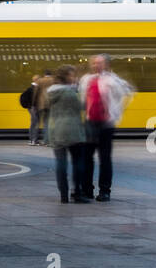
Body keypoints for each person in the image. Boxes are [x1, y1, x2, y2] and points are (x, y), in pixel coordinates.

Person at [78, 54, 133, 203]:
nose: (96, 65)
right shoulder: (86, 79)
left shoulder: (112, 80)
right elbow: (82, 97)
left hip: (106, 124)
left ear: (106, 64)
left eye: (99, 63)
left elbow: (128, 91)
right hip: (89, 122)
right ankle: (87, 190)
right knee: (87, 158)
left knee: (105, 159)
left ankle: (104, 191)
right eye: (94, 63)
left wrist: (116, 111)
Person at [47, 65, 89, 203]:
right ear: (65, 77)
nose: (74, 77)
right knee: (78, 163)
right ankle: (77, 193)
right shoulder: (69, 93)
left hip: (56, 131)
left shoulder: (51, 92)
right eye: (72, 75)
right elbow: (82, 106)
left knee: (61, 164)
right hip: (72, 131)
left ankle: (63, 195)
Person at [30, 69, 54, 145]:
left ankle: (35, 139)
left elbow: (36, 92)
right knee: (48, 122)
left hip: (41, 104)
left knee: (39, 122)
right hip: (51, 103)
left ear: (44, 74)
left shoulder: (40, 81)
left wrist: (33, 103)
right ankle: (48, 141)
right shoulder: (54, 80)